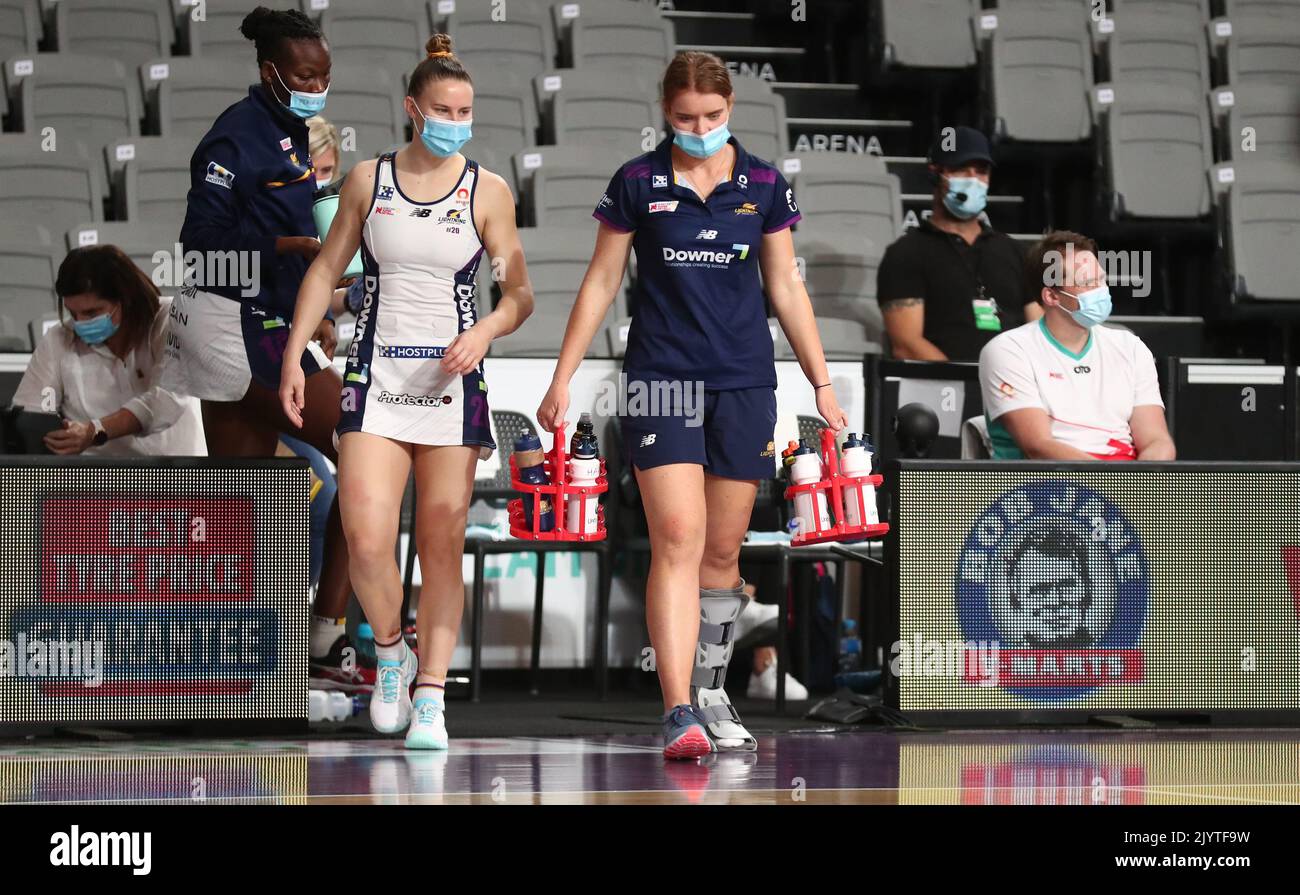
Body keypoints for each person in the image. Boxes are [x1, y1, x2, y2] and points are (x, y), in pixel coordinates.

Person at [536, 51, 846, 759]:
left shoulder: (763, 184)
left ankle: (713, 688)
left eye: (710, 117)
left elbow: (787, 288)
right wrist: (563, 376)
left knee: (722, 550)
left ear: (730, 106)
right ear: (664, 114)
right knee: (676, 536)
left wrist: (821, 381)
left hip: (743, 381)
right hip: (661, 378)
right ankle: (677, 708)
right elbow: (598, 283)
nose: (698, 128)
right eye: (683, 118)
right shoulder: (637, 183)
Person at [280, 34, 534, 749]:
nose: (457, 118)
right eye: (444, 108)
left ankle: (431, 696)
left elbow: (520, 292)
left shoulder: (488, 189)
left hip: (453, 384)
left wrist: (486, 331)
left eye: (467, 108)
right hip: (376, 376)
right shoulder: (369, 179)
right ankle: (392, 651)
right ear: (413, 110)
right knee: (364, 539)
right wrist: (293, 356)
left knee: (441, 543)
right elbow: (325, 271)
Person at [160, 6, 364, 688]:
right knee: (365, 441)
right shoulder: (233, 141)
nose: (317, 83)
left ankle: (235, 662)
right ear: (268, 70)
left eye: (325, 73)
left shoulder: (297, 135)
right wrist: (289, 249)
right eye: (305, 74)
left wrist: (312, 305)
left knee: (240, 499)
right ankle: (325, 636)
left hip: (276, 326)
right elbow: (200, 250)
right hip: (229, 328)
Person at [979, 230, 1176, 461]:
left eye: (1101, 280)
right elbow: (1038, 446)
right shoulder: (1008, 350)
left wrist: (1142, 482)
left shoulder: (1131, 347)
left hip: (1124, 482)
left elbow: (1156, 440)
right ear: (1052, 296)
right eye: (1087, 283)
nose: (1101, 291)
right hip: (1041, 487)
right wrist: (1115, 484)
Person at [13, 245, 204, 456]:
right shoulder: (58, 340)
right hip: (96, 483)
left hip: (180, 478)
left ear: (125, 298)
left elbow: (168, 399)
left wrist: (95, 430)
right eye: (73, 313)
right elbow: (33, 410)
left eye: (91, 312)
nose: (80, 323)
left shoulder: (172, 319)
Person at [877, 126, 1041, 361]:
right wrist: (967, 384)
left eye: (981, 171)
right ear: (935, 174)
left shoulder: (1016, 252)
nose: (973, 180)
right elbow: (907, 344)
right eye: (960, 170)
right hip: (943, 391)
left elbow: (1038, 331)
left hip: (1015, 388)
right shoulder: (905, 254)